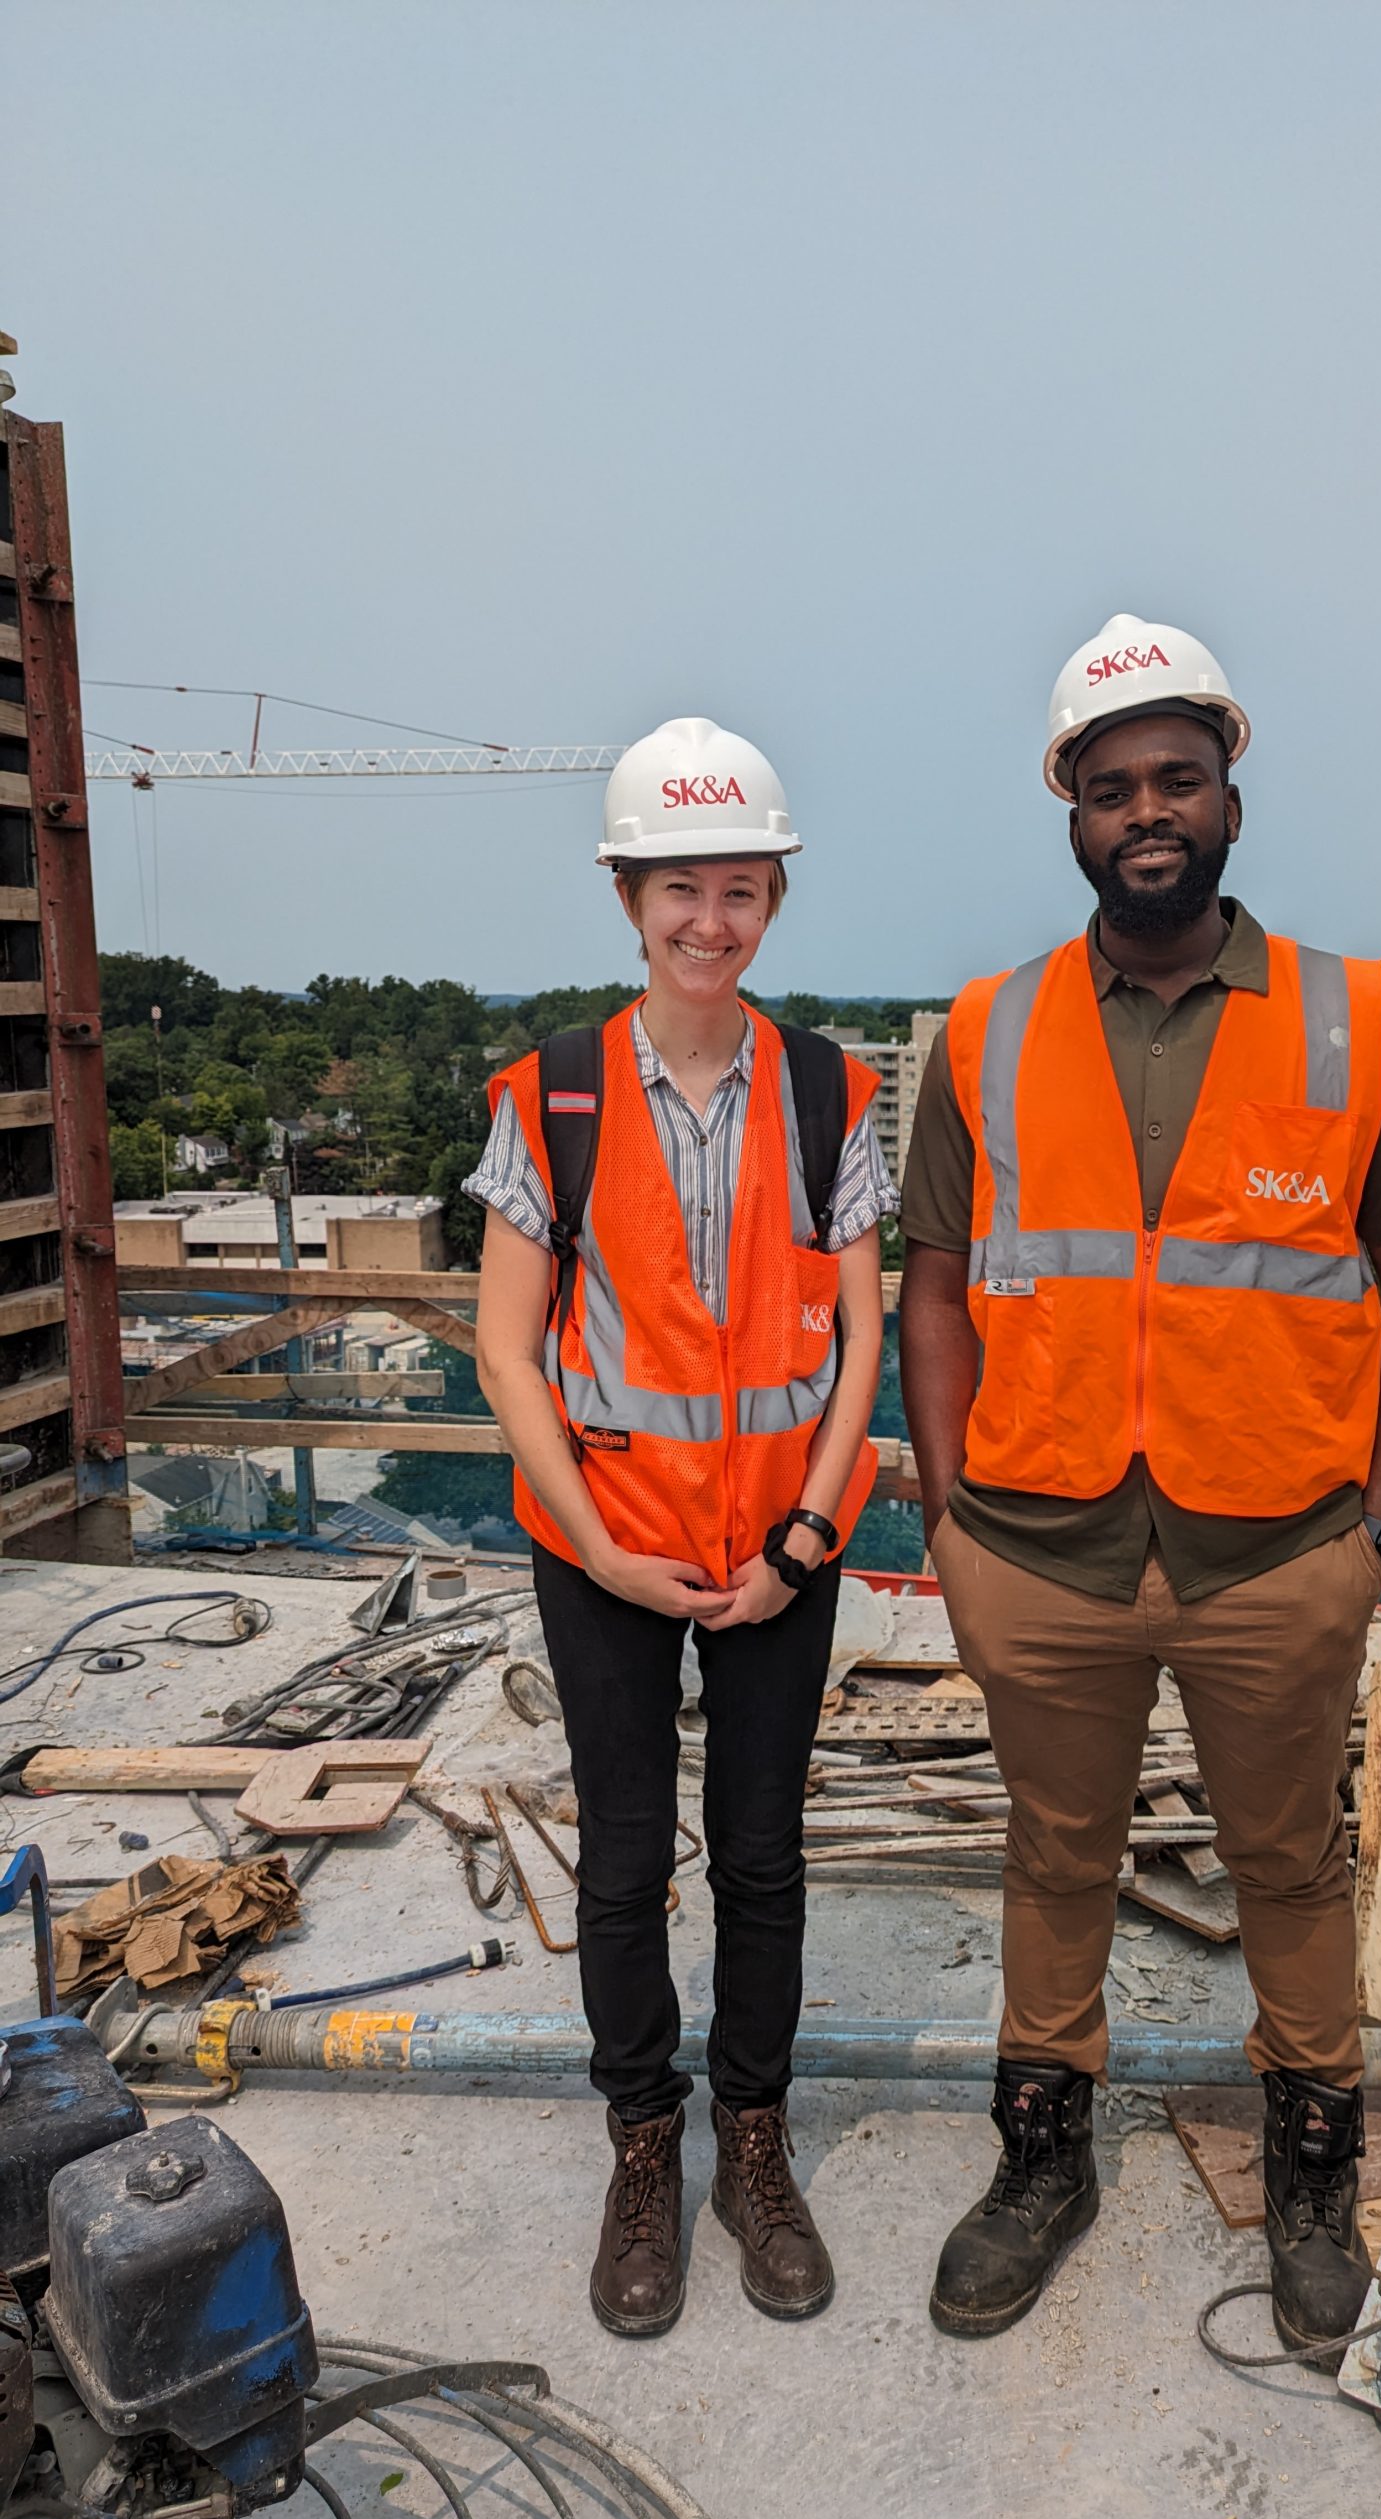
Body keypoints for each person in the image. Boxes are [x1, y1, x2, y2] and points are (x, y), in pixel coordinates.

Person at [900, 616, 1381, 2352]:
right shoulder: (988, 1030)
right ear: (1067, 809)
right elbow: (932, 1273)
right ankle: (1040, 2166)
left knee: (1288, 1865)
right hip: (1042, 1542)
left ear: (1230, 796)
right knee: (1054, 1856)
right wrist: (943, 1506)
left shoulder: (1354, 1018)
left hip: (1278, 1548)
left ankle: (1315, 2185)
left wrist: (1376, 1521)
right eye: (1111, 784)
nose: (1146, 810)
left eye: (1178, 778)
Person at [471, 716, 893, 2337]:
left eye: (741, 889)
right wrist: (593, 1545)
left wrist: (800, 1539)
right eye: (680, 890)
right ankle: (647, 2147)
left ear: (772, 897)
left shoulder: (825, 1086)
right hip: (608, 1552)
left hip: (781, 1546)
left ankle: (758, 2142)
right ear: (629, 897)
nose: (711, 921)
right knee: (629, 1864)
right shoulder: (554, 1096)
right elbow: (508, 1349)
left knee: (766, 1863)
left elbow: (859, 1337)